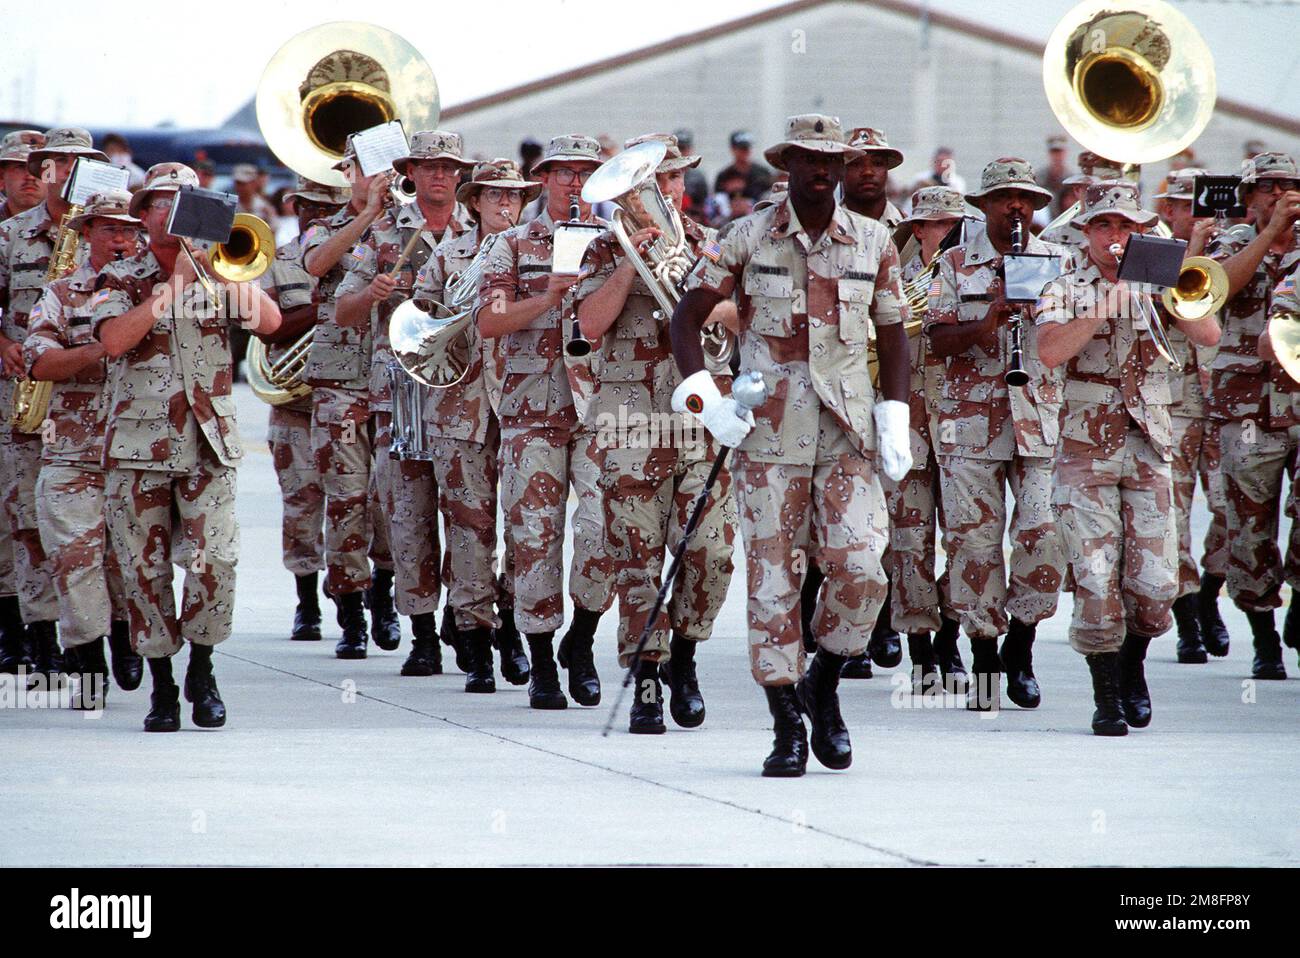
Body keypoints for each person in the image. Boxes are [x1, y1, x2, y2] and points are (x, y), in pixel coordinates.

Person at [671, 114, 913, 777]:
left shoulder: (873, 241)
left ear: (841, 168)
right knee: (775, 585)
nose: (821, 170)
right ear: (791, 163)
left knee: (863, 567)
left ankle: (824, 686)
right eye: (808, 158)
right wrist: (706, 400)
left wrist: (895, 415)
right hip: (768, 435)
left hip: (846, 434)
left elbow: (892, 333)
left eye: (831, 160)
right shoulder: (745, 236)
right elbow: (687, 316)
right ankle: (786, 725)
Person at [93, 162, 282, 732]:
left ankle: (202, 666)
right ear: (144, 213)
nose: (173, 214)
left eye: (186, 204)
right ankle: (163, 686)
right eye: (163, 204)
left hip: (207, 444)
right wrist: (169, 287)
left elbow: (270, 322)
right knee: (143, 572)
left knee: (215, 560)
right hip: (138, 447)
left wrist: (218, 273)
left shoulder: (216, 271)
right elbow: (112, 341)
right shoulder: (119, 275)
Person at [1038, 182, 1220, 735]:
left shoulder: (1159, 282)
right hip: (1084, 450)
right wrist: (1110, 299)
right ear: (1088, 232)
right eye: (1104, 226)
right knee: (1096, 579)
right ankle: (1108, 693)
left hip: (1148, 445)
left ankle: (1133, 662)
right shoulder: (1064, 285)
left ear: (1141, 232)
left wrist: (1167, 283)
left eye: (1126, 227)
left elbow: (1208, 332)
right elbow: (1049, 352)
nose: (1116, 237)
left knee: (1157, 584)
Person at [574, 132, 738, 733]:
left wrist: (696, 305)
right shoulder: (601, 248)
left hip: (700, 417)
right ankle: (646, 677)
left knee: (713, 551)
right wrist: (626, 266)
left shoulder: (708, 245)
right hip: (631, 421)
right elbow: (588, 327)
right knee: (636, 561)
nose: (670, 190)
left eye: (673, 179)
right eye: (658, 181)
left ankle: (686, 657)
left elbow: (740, 314)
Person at [926, 157, 1069, 712]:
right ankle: (984, 654)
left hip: (1039, 419)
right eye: (1005, 198)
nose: (1016, 207)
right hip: (970, 424)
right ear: (983, 205)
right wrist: (988, 320)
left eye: (1026, 199)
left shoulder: (1057, 261)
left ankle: (1023, 645)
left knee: (1043, 535)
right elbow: (937, 340)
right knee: (972, 546)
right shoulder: (955, 263)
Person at [476, 133, 609, 711]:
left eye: (584, 173)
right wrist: (547, 298)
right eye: (563, 172)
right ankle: (540, 660)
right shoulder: (509, 243)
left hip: (600, 409)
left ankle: (581, 642)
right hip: (532, 410)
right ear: (545, 179)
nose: (574, 182)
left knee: (605, 529)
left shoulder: (610, 242)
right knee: (533, 537)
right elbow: (488, 321)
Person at [335, 130, 475, 670]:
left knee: (469, 515)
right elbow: (342, 313)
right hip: (401, 396)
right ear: (410, 173)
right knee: (408, 518)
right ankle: (421, 633)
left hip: (466, 397)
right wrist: (367, 296)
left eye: (447, 166)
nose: (438, 175)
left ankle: (465, 620)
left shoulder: (484, 233)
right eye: (427, 166)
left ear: (460, 175)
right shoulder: (383, 233)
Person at [411, 158, 539, 691]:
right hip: (459, 410)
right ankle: (476, 637)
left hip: (522, 404)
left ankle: (509, 621)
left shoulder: (535, 255)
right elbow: (418, 325)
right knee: (468, 528)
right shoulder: (448, 255)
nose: (505, 206)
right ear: (475, 203)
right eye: (494, 197)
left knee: (526, 525)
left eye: (513, 198)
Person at [23, 189, 142, 707]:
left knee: (129, 559)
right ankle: (88, 657)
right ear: (87, 231)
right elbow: (41, 363)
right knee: (76, 559)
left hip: (138, 449)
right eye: (109, 229)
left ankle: (125, 638)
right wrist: (106, 345)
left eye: (129, 230)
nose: (121, 239)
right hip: (73, 449)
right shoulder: (60, 293)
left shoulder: (156, 289)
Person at [0, 128, 109, 680]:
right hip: (24, 397)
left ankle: (101, 638)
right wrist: (5, 345)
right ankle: (40, 636)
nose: (64, 171)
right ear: (39, 170)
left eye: (77, 162)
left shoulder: (110, 232)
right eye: (55, 162)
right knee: (26, 521)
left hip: (93, 402)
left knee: (94, 527)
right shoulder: (11, 234)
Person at [300, 140, 399, 660]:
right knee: (345, 499)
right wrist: (368, 217)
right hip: (339, 380)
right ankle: (350, 611)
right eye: (369, 170)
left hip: (393, 381)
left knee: (387, 500)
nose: (380, 178)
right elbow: (316, 264)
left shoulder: (408, 222)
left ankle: (384, 594)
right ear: (349, 174)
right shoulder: (327, 223)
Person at [1206, 152, 1300, 680]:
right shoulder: (1235, 243)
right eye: (1270, 187)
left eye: (1290, 185)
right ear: (1249, 197)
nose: (1282, 193)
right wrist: (1271, 233)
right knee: (1249, 526)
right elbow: (1220, 289)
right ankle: (1264, 635)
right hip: (1246, 406)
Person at [826, 125, 907, 678]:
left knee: (895, 513)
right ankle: (840, 632)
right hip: (839, 385)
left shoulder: (918, 231)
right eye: (856, 162)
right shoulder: (817, 228)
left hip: (897, 385)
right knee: (835, 518)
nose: (868, 171)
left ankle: (880, 623)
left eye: (878, 161)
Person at [259, 177, 348, 644]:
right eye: (309, 205)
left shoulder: (360, 256)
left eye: (329, 207)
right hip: (296, 406)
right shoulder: (275, 258)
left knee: (364, 506)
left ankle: (362, 598)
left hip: (351, 405)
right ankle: (308, 603)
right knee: (301, 506)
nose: (318, 215)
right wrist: (325, 308)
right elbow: (267, 329)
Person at [886, 186, 968, 694]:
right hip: (909, 421)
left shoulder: (976, 271)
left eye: (958, 223)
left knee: (967, 539)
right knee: (910, 542)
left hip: (963, 422)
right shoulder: (891, 273)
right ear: (918, 229)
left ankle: (952, 636)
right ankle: (920, 648)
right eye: (940, 224)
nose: (952, 232)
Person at [1152, 168, 1232, 662]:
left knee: (1231, 510)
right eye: (1188, 206)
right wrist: (1189, 251)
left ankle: (1208, 592)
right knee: (1173, 518)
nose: (1197, 216)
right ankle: (1185, 618)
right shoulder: (1151, 253)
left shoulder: (1231, 251)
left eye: (1203, 207)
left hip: (1224, 402)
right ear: (1170, 211)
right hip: (1175, 402)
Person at [0, 129, 44, 674]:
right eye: (20, 167)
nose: (32, 176)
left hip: (72, 396)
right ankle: (13, 630)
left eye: (43, 167)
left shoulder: (86, 231)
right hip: (9, 390)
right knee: (9, 513)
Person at [842, 127, 905, 228]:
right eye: (856, 164)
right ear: (840, 170)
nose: (868, 172)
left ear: (886, 169)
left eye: (877, 163)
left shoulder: (907, 228)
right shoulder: (824, 226)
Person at [712, 130, 772, 201]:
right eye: (742, 148)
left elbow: (770, 195)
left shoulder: (763, 172)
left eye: (747, 148)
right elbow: (718, 199)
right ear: (733, 149)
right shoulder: (724, 175)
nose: (745, 151)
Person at [0, 131, 46, 220]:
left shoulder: (73, 226)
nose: (30, 177)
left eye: (38, 168)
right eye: (20, 167)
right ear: (2, 176)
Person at [673, 128, 709, 218]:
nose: (680, 153)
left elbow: (704, 206)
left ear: (690, 150)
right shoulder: (663, 174)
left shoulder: (698, 177)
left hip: (692, 218)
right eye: (678, 148)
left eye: (683, 148)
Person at [1038, 134, 1070, 218]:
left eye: (1059, 152)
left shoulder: (1071, 178)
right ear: (1049, 153)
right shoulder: (1039, 177)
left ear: (1065, 152)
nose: (1057, 156)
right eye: (1054, 152)